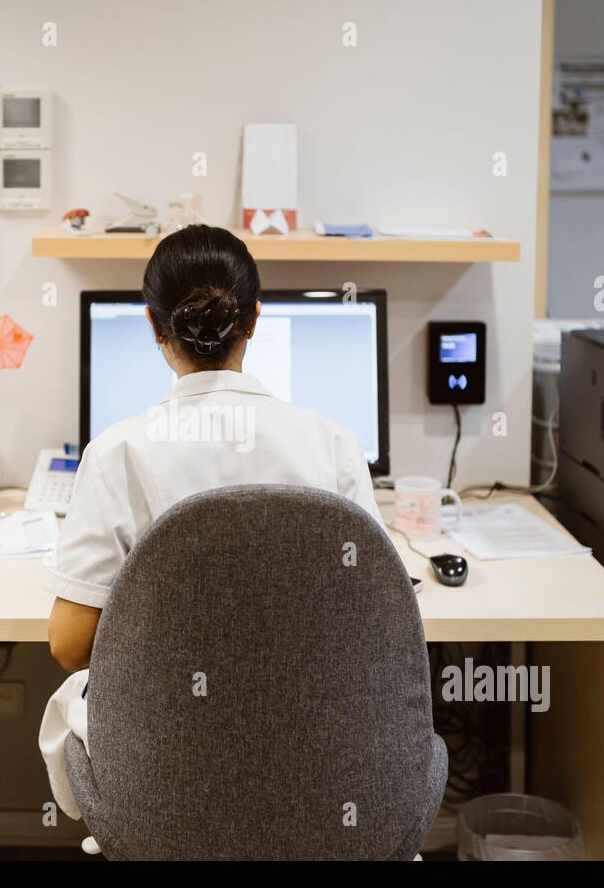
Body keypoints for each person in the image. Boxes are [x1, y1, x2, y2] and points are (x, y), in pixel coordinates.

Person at [37, 225, 384, 818]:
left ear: (153, 326)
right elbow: (373, 623)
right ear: (255, 319)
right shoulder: (333, 445)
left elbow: (70, 647)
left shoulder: (121, 453)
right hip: (311, 769)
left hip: (165, 771)